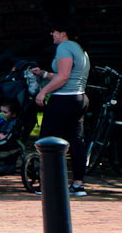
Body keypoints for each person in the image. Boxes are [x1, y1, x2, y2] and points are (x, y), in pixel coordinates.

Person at [34, 19, 91, 196]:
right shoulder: (80, 49)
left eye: (54, 31)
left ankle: (49, 184)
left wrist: (43, 92)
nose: (52, 34)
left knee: (47, 140)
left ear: (63, 33)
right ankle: (78, 185)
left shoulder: (64, 48)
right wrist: (44, 74)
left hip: (63, 99)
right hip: (79, 98)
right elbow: (66, 75)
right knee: (75, 142)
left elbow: (64, 76)